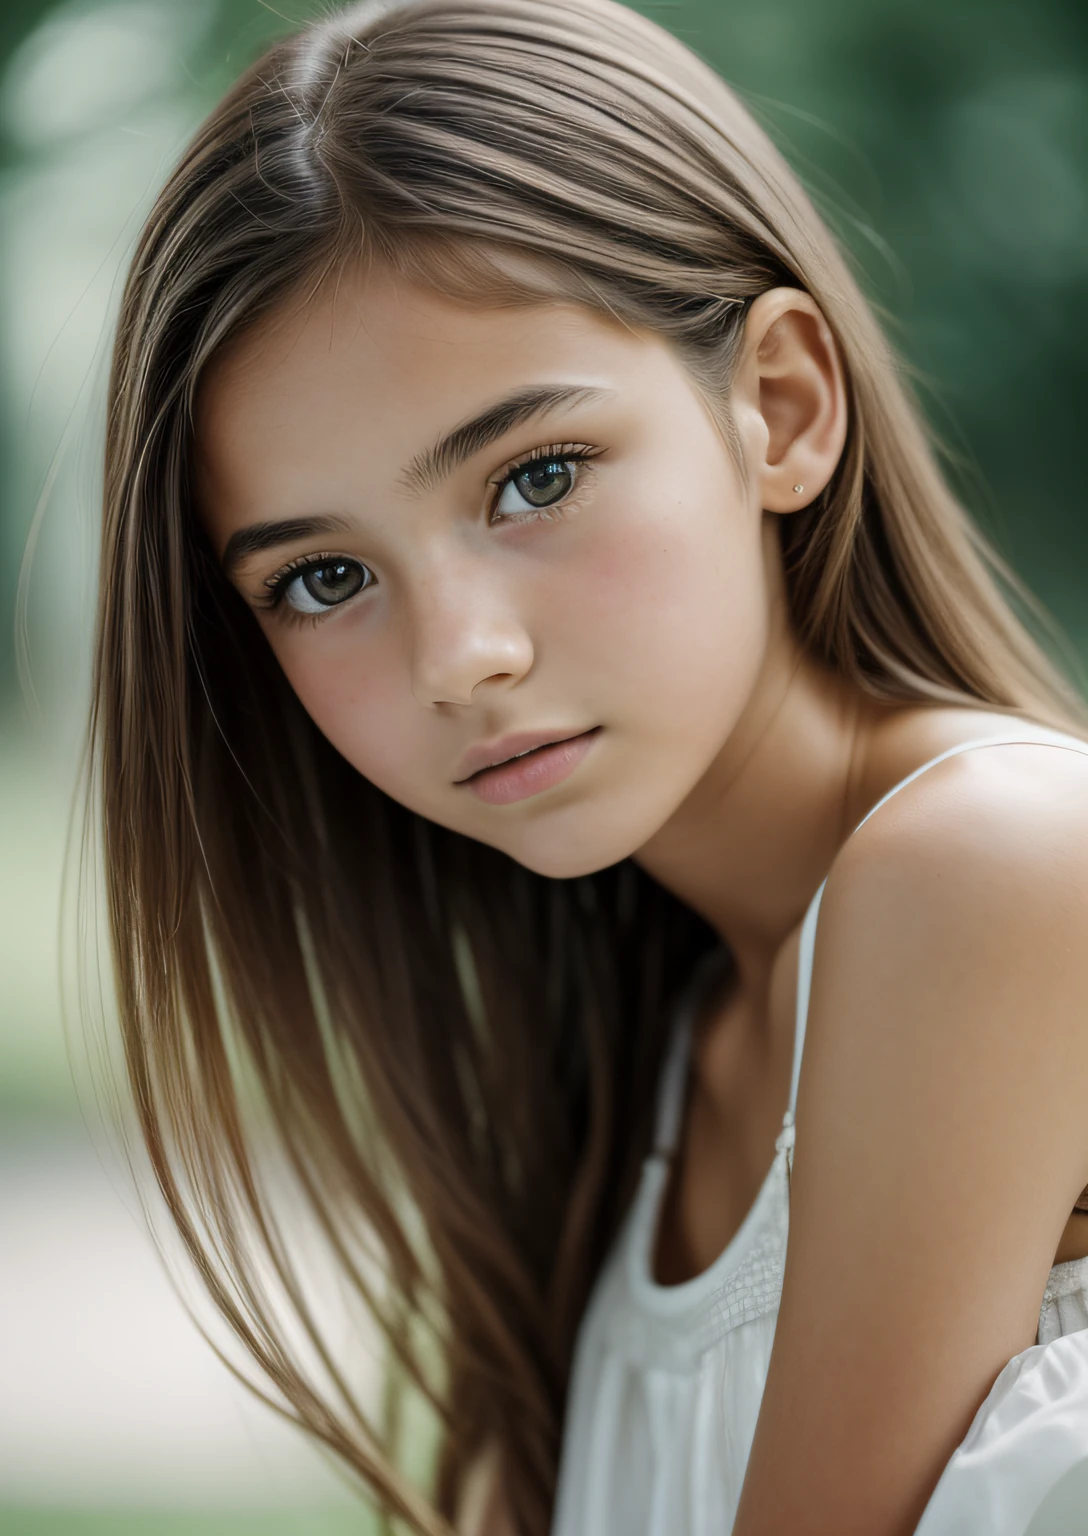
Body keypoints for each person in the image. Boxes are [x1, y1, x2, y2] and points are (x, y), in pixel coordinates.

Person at [89, 0, 1088, 1531]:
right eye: (324, 580)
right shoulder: (654, 1050)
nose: (457, 657)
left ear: (782, 407)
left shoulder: (995, 860)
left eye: (533, 478)